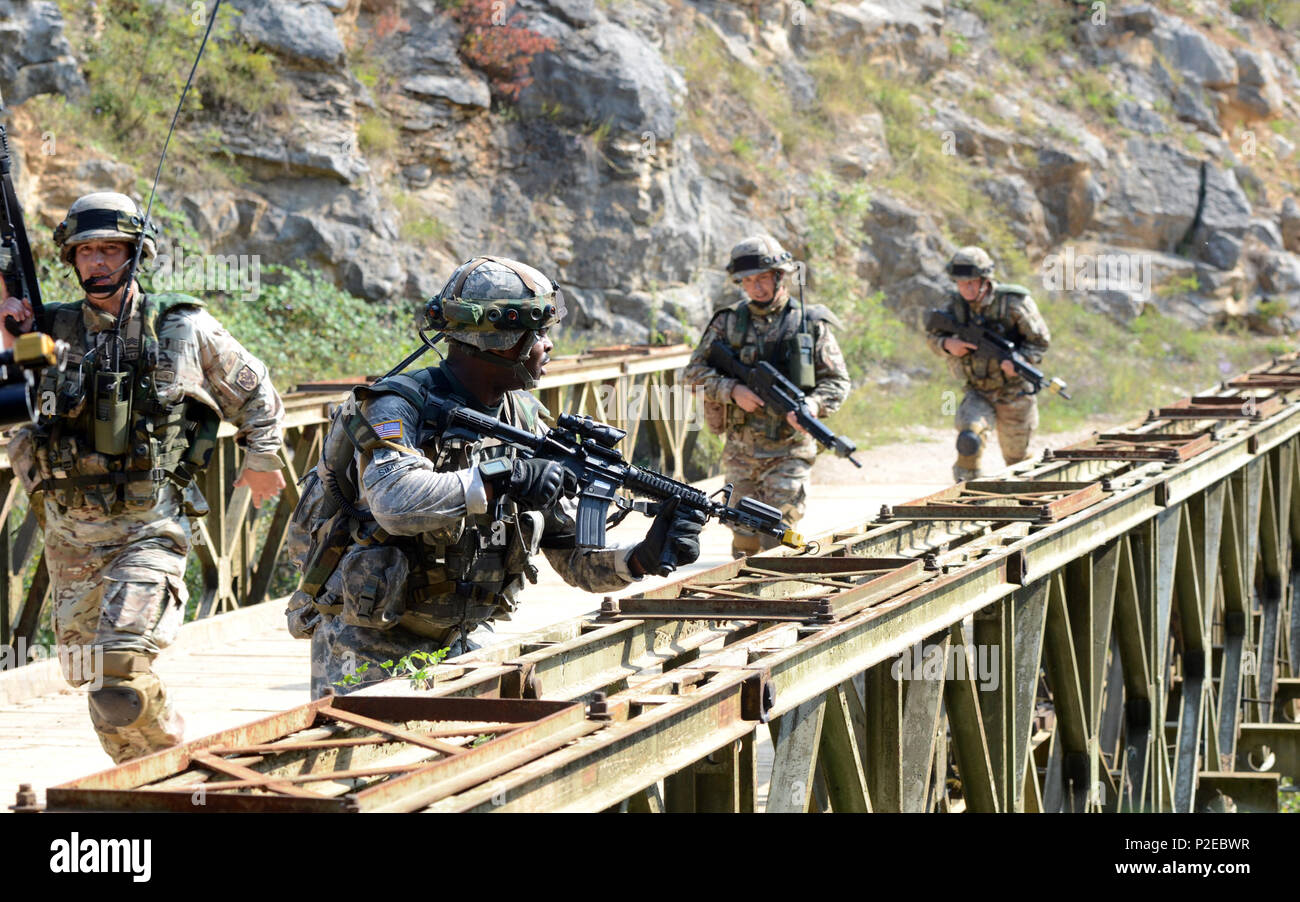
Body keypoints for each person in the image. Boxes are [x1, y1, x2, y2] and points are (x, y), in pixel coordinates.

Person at [288, 256, 707, 698]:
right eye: (537, 334)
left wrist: (640, 558)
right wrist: (503, 475)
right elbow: (395, 503)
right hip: (369, 644)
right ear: (499, 339)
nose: (547, 347)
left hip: (466, 640)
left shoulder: (524, 420)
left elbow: (575, 560)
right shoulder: (396, 407)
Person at [0, 191, 286, 763]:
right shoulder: (43, 332)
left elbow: (258, 396)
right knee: (103, 694)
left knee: (121, 672)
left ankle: (177, 748)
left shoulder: (180, 327)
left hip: (147, 530)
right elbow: (10, 411)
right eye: (86, 252)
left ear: (137, 253)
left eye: (111, 249)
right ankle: (148, 776)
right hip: (69, 541)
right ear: (72, 260)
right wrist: (10, 338)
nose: (98, 263)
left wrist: (262, 460)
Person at [682, 235, 850, 558]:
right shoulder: (727, 323)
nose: (756, 287)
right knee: (744, 540)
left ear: (779, 276)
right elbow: (692, 373)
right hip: (741, 453)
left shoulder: (809, 323)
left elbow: (838, 381)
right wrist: (732, 390)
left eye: (762, 278)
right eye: (748, 281)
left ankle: (784, 599)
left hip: (790, 451)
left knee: (779, 536)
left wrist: (813, 404)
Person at [925, 246, 1052, 482]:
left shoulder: (1013, 302)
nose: (967, 289)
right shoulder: (954, 305)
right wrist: (946, 344)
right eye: (961, 283)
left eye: (972, 283)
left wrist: (1022, 361)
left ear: (985, 280)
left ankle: (1023, 507)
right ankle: (968, 496)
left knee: (1018, 461)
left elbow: (1040, 341)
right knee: (968, 440)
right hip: (978, 390)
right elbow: (932, 335)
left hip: (1014, 392)